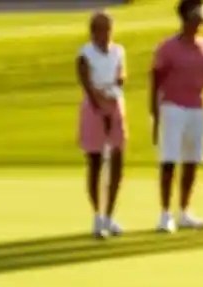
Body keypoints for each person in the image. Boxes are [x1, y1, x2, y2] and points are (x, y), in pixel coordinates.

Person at [151, 0, 203, 233]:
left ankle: (184, 211)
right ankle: (165, 214)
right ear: (185, 19)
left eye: (201, 21)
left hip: (197, 108)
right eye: (195, 19)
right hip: (172, 107)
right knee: (169, 160)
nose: (199, 24)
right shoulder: (167, 47)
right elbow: (156, 79)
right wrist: (154, 110)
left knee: (192, 161)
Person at [77, 11, 128, 240]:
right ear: (93, 32)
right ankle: (97, 215)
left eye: (109, 29)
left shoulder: (118, 50)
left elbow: (121, 73)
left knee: (117, 159)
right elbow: (87, 85)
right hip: (94, 107)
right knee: (95, 161)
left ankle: (109, 216)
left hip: (115, 102)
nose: (106, 33)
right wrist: (102, 107)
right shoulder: (85, 54)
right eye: (101, 29)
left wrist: (117, 86)